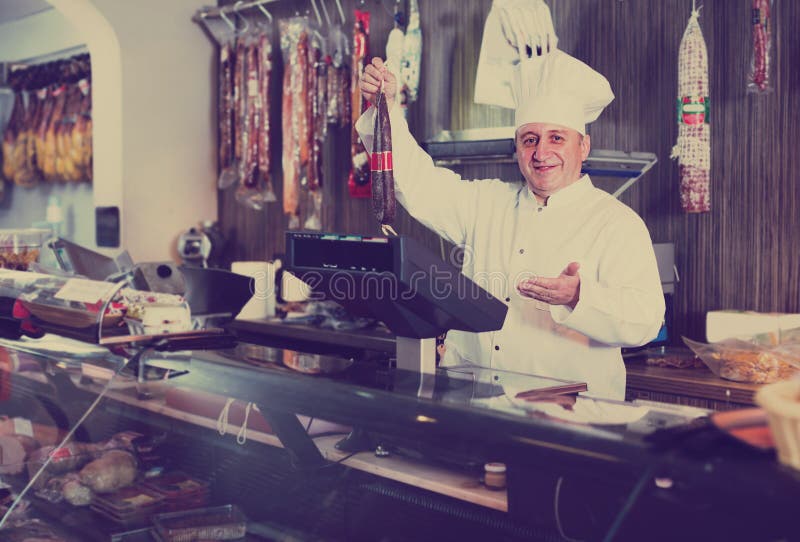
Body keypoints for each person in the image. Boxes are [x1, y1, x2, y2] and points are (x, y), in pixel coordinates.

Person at [356, 51, 664, 400]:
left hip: (569, 416)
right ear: (517, 147)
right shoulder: (487, 202)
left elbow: (646, 323)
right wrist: (385, 108)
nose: (541, 152)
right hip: (475, 406)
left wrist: (580, 296)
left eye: (557, 138)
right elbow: (415, 181)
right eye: (530, 139)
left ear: (584, 146)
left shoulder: (617, 223)